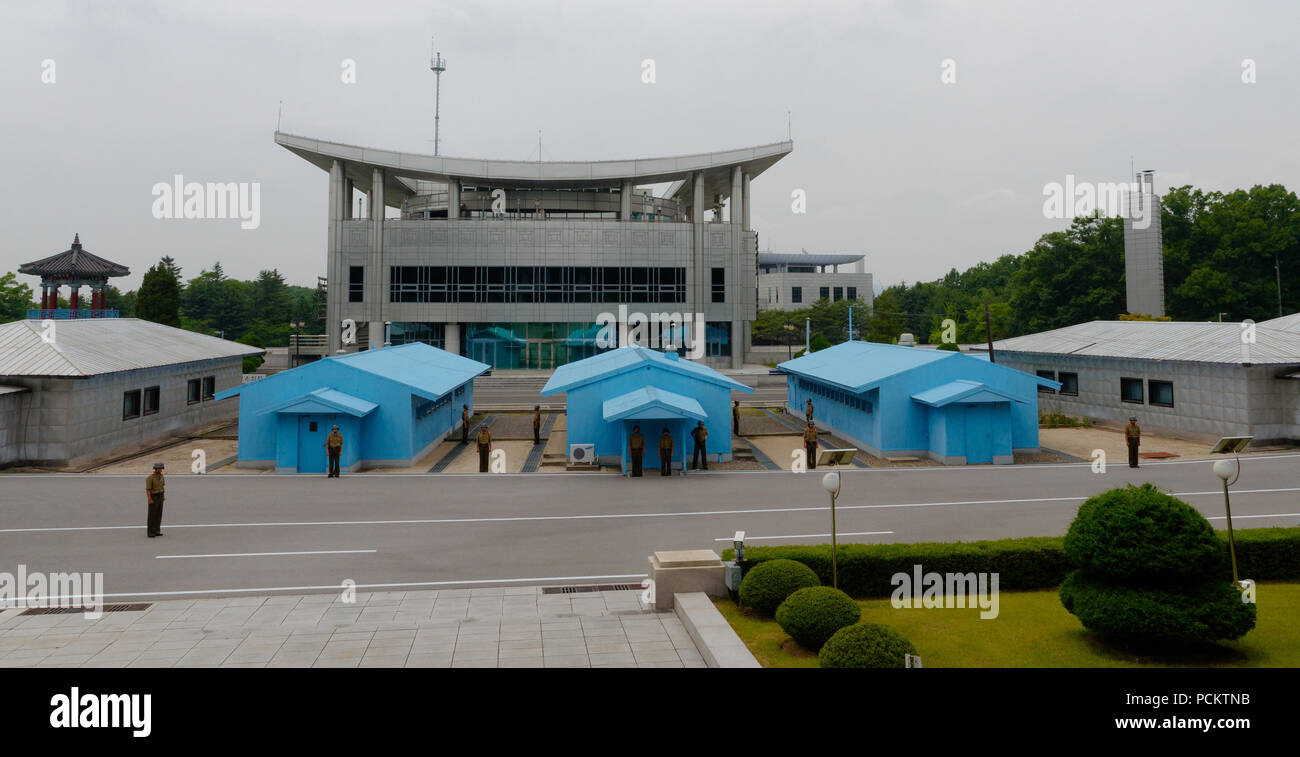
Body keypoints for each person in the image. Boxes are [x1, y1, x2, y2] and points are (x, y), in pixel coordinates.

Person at [145, 462, 166, 538]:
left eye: (161, 468)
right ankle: (150, 532)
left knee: (159, 514)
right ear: (155, 469)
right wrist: (149, 498)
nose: (160, 469)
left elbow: (162, 487)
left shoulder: (161, 476)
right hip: (154, 496)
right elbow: (148, 490)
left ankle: (157, 530)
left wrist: (163, 496)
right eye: (159, 468)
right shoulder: (150, 477)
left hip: (160, 495)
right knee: (152, 515)